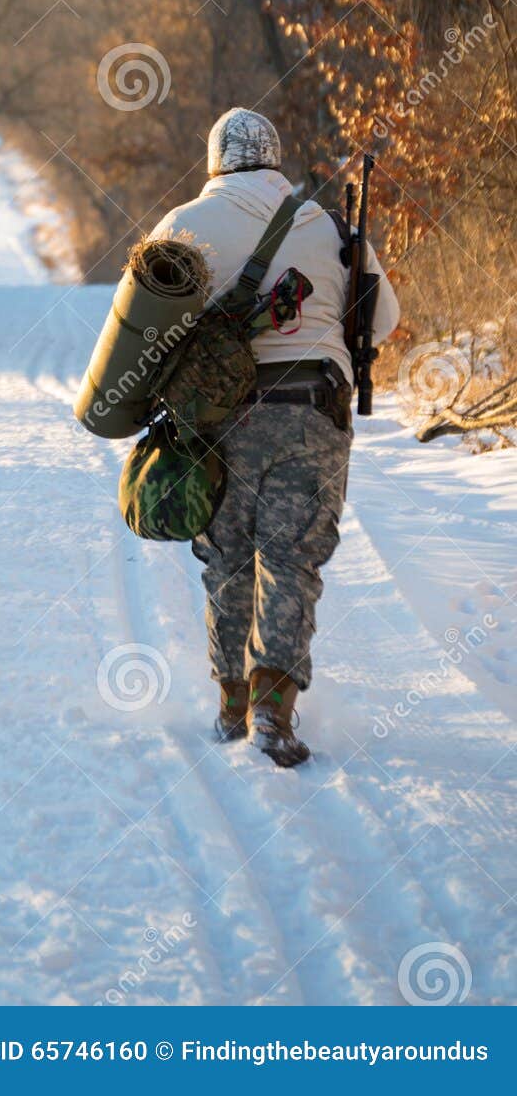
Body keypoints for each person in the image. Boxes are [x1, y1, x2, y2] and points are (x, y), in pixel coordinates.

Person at [150, 108, 400, 767]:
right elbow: (386, 317)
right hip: (312, 411)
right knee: (290, 560)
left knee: (226, 557)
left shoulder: (182, 226)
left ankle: (230, 701)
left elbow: (142, 329)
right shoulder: (328, 225)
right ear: (276, 159)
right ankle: (273, 709)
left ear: (215, 161)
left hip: (219, 421)